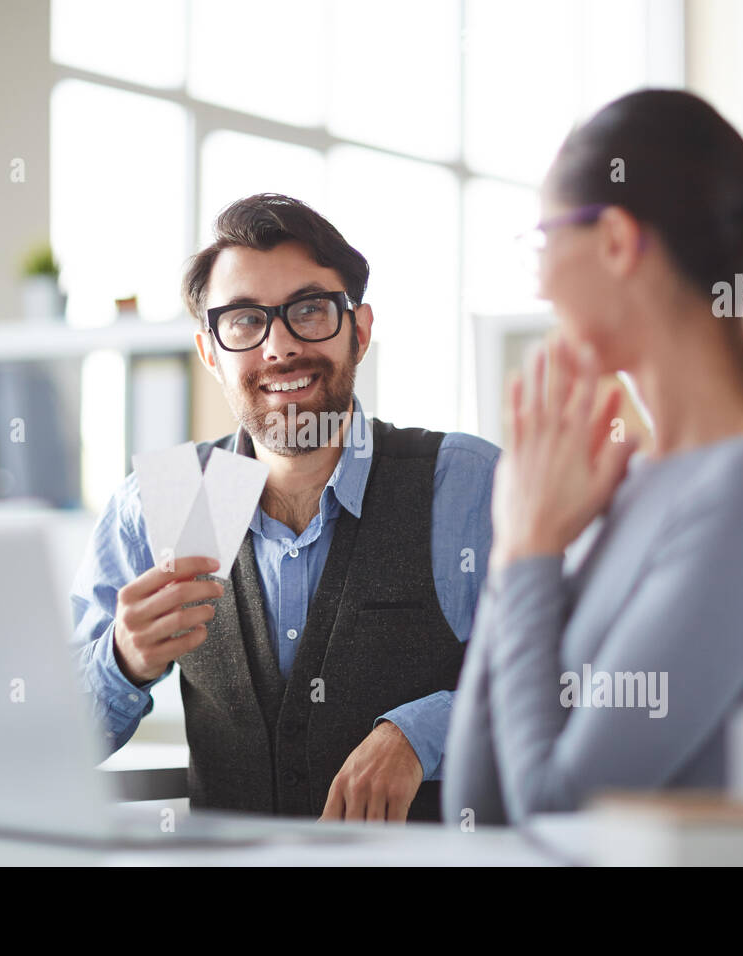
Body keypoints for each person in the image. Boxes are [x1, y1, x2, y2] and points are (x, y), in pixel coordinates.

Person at [443, 89, 743, 825]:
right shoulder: (617, 489)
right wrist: (518, 549)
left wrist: (531, 549)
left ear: (614, 241)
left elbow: (558, 810)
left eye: (544, 243)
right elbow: (476, 808)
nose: (538, 281)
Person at [70, 194, 499, 822]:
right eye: (245, 320)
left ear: (361, 329)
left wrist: (422, 733)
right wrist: (123, 661)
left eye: (309, 309)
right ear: (211, 351)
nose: (279, 347)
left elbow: (573, 680)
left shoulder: (464, 484)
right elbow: (56, 739)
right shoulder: (176, 497)